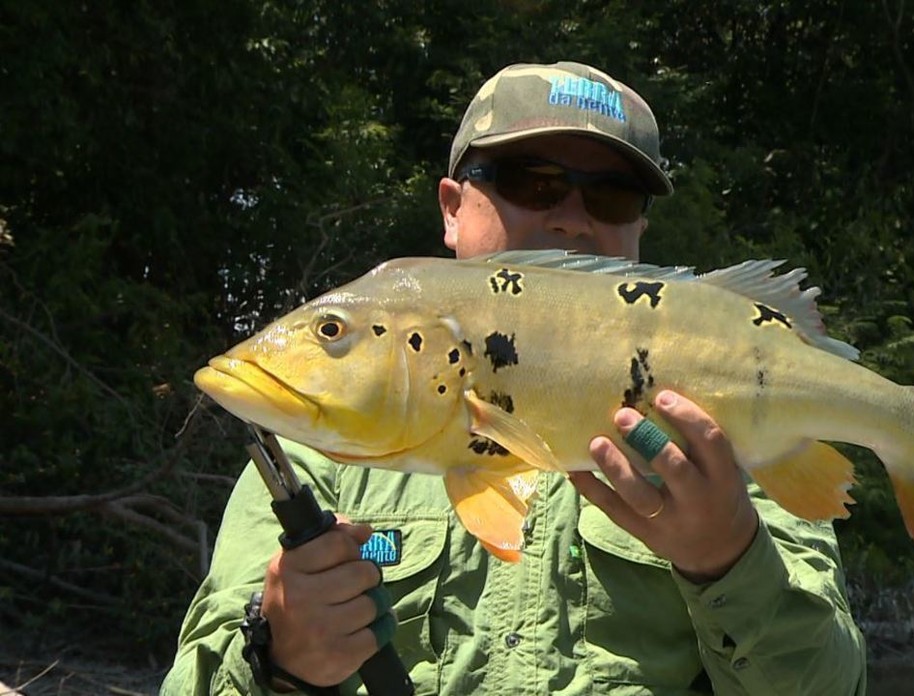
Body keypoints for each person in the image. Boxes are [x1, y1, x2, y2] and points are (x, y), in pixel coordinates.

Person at [163, 60, 867, 695]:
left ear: (640, 229)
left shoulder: (722, 446)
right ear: (450, 207)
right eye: (531, 180)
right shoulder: (321, 452)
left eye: (613, 195)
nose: (568, 219)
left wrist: (727, 561)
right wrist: (277, 663)